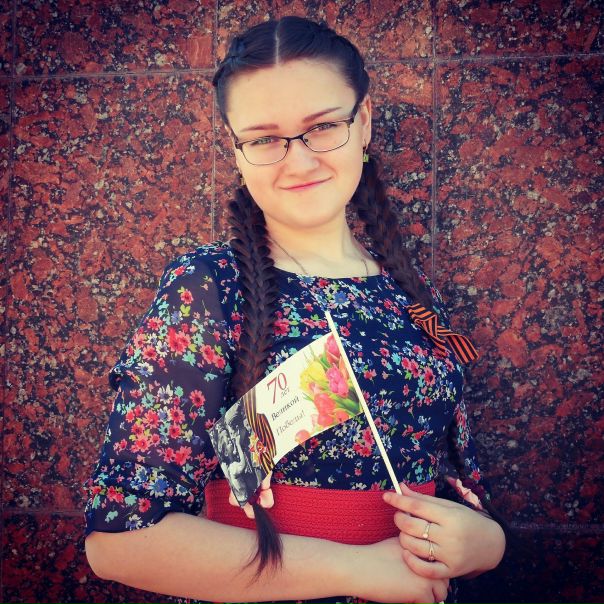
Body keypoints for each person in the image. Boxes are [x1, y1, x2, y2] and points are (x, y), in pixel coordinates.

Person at [83, 15, 506, 604]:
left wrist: (487, 544)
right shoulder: (210, 286)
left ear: (363, 121)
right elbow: (121, 542)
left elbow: (454, 481)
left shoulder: (409, 293)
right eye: (264, 138)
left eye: (323, 126)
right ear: (235, 148)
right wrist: (356, 569)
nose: (299, 161)